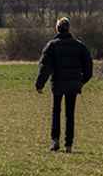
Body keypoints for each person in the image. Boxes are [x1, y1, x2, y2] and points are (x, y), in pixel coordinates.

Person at [35, 17, 93, 153]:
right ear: (69, 28)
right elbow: (89, 67)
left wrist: (39, 84)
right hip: (73, 84)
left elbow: (45, 67)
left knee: (56, 112)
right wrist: (81, 81)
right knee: (70, 114)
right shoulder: (79, 46)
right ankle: (69, 144)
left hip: (58, 83)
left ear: (57, 29)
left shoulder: (52, 45)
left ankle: (55, 141)